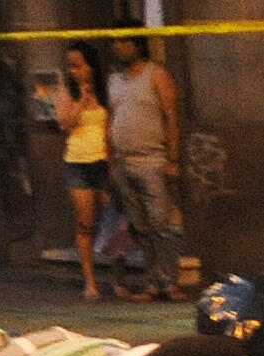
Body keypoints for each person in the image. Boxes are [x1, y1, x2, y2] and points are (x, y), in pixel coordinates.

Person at [103, 40, 185, 303]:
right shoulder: (114, 80)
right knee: (140, 228)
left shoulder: (156, 75)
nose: (119, 48)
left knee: (161, 225)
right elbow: (111, 118)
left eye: (124, 42)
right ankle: (152, 282)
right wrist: (113, 163)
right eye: (116, 42)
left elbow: (171, 116)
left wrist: (172, 159)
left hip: (153, 160)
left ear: (137, 45)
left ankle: (170, 283)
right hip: (125, 162)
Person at [57, 42, 115, 303]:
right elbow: (65, 124)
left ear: (91, 65)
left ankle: (119, 280)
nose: (75, 71)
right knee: (85, 223)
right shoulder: (65, 91)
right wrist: (81, 102)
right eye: (71, 66)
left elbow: (112, 125)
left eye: (79, 65)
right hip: (78, 163)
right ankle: (90, 282)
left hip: (103, 160)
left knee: (112, 223)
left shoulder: (106, 90)